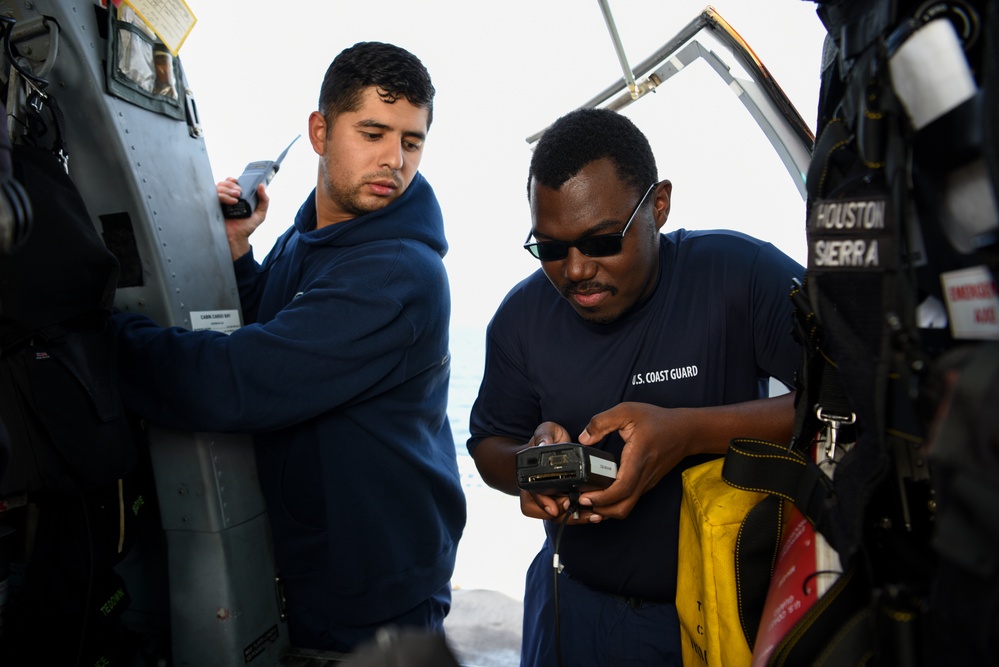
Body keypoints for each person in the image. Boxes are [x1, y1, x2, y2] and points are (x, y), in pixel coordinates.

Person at [113, 41, 466, 653]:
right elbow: (275, 333)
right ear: (320, 131)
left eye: (411, 142)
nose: (394, 161)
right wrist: (240, 257)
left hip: (371, 600)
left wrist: (96, 336)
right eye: (373, 133)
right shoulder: (313, 241)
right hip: (309, 575)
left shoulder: (397, 272)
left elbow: (236, 383)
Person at [467, 107, 804, 665]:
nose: (574, 270)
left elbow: (848, 393)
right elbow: (488, 447)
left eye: (600, 242)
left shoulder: (737, 274)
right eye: (550, 248)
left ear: (659, 205)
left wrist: (689, 432)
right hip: (565, 607)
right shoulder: (520, 318)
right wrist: (533, 460)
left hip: (711, 612)